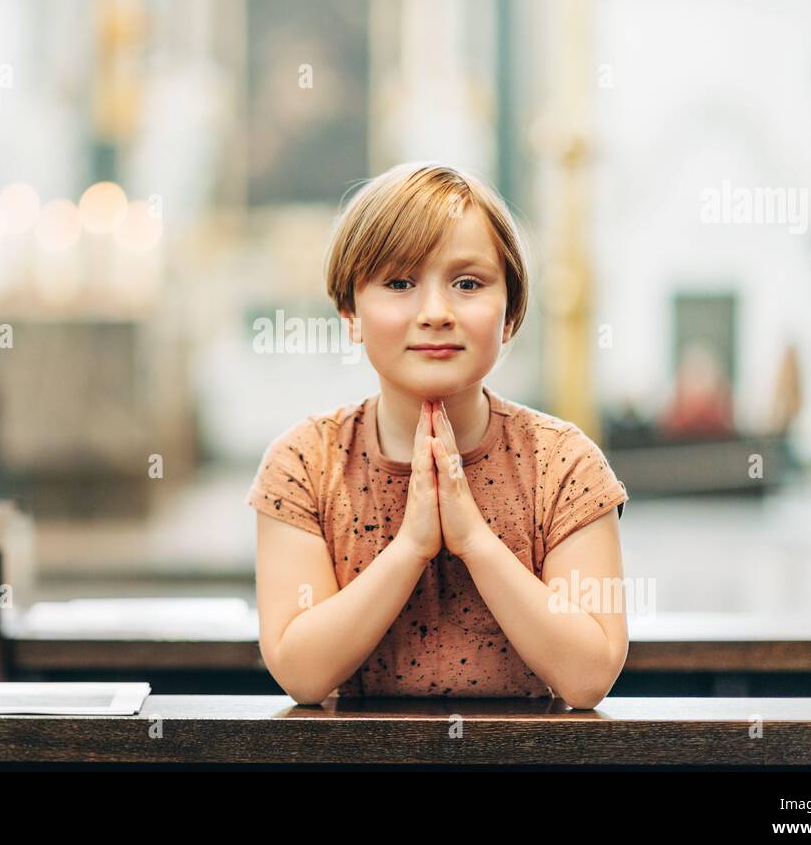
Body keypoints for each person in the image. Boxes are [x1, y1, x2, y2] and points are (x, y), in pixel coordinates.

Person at [244, 162, 629, 706]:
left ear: (511, 314)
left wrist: (473, 539)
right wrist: (411, 547)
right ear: (350, 312)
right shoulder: (304, 463)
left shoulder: (564, 465)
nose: (435, 312)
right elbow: (302, 674)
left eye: (468, 284)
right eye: (399, 283)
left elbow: (588, 676)